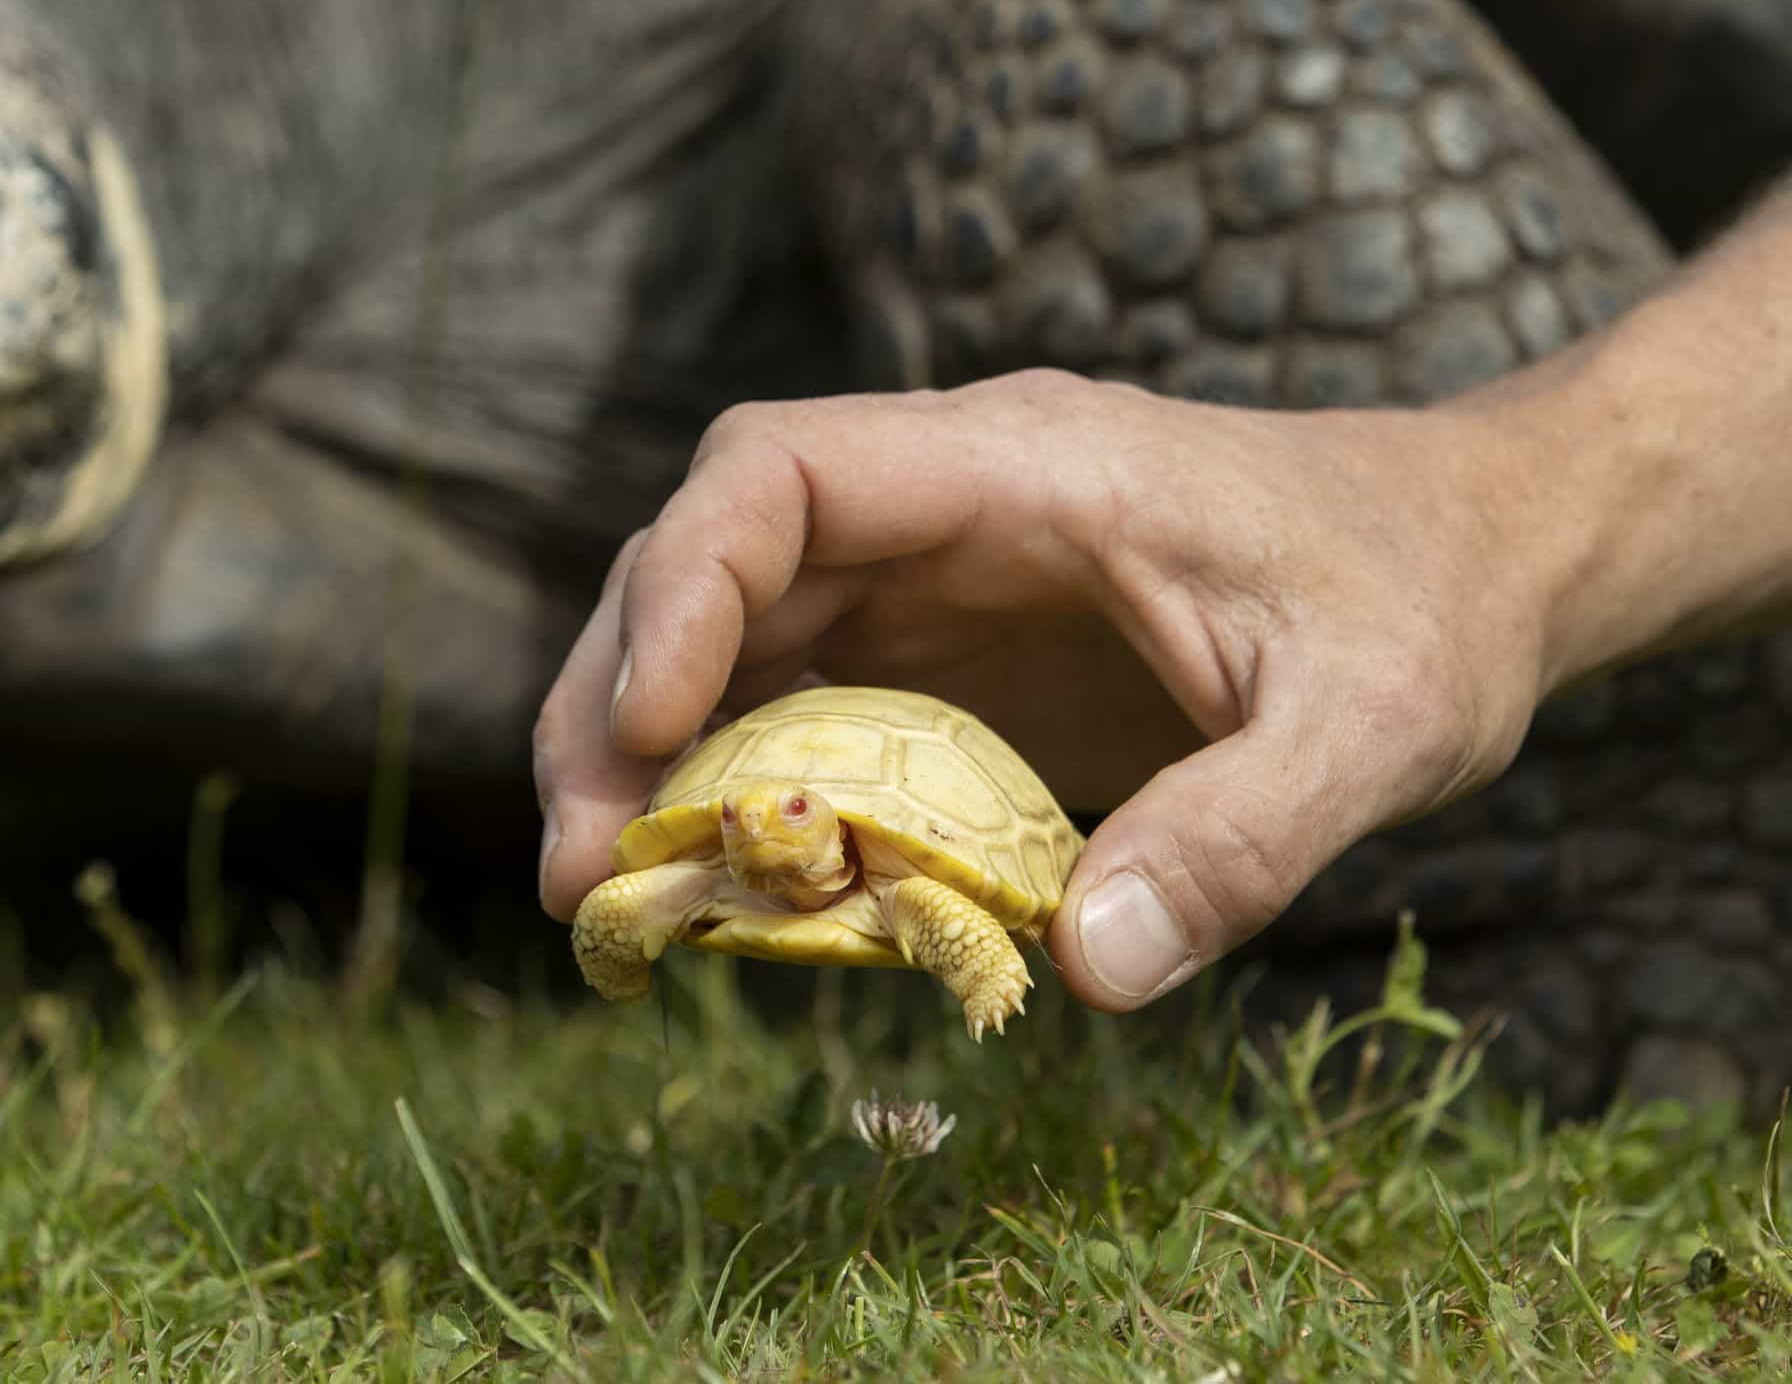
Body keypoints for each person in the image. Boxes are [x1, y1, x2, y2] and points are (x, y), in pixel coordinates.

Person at [533, 180, 1792, 1014]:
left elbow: (941, 902)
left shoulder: (908, 879)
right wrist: (615, 930)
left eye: (784, 808)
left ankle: (1676, 870)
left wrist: (1502, 518)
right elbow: (629, 897)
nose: (757, 827)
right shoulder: (720, 858)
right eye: (758, 813)